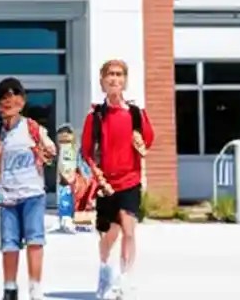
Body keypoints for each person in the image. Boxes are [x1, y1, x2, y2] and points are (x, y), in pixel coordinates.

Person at [81, 59, 155, 300]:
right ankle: (105, 272)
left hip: (130, 179)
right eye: (110, 74)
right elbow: (86, 151)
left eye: (119, 74)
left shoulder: (135, 113)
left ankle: (125, 278)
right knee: (108, 234)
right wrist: (97, 175)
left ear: (125, 80)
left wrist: (141, 141)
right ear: (102, 81)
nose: (114, 78)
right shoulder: (96, 116)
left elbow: (148, 140)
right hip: (106, 184)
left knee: (129, 229)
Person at [0, 78, 56, 300]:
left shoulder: (32, 127)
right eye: (4, 98)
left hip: (32, 194)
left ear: (22, 101)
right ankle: (10, 288)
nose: (9, 101)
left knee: (35, 240)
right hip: (8, 196)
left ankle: (34, 288)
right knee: (8, 244)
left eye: (14, 96)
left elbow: (51, 150)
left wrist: (45, 153)